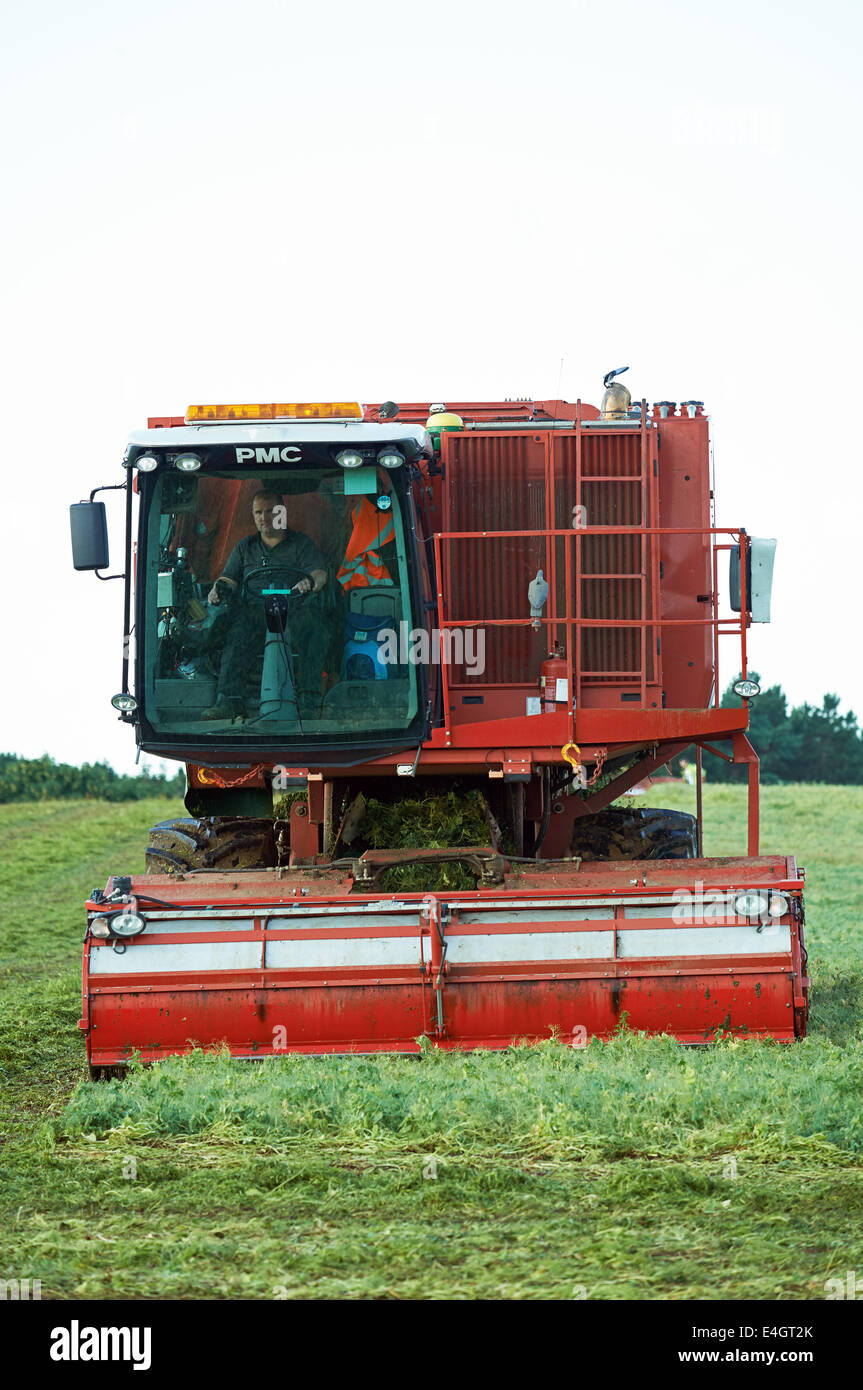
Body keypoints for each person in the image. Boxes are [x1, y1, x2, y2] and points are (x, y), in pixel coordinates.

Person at [201, 490, 327, 720]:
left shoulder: (301, 544)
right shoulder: (245, 547)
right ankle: (227, 701)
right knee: (236, 633)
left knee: (314, 629)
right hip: (254, 611)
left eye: (270, 511)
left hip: (294, 609)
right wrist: (217, 588)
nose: (264, 517)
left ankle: (310, 701)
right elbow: (228, 577)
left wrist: (310, 582)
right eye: (258, 512)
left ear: (282, 512)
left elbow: (318, 573)